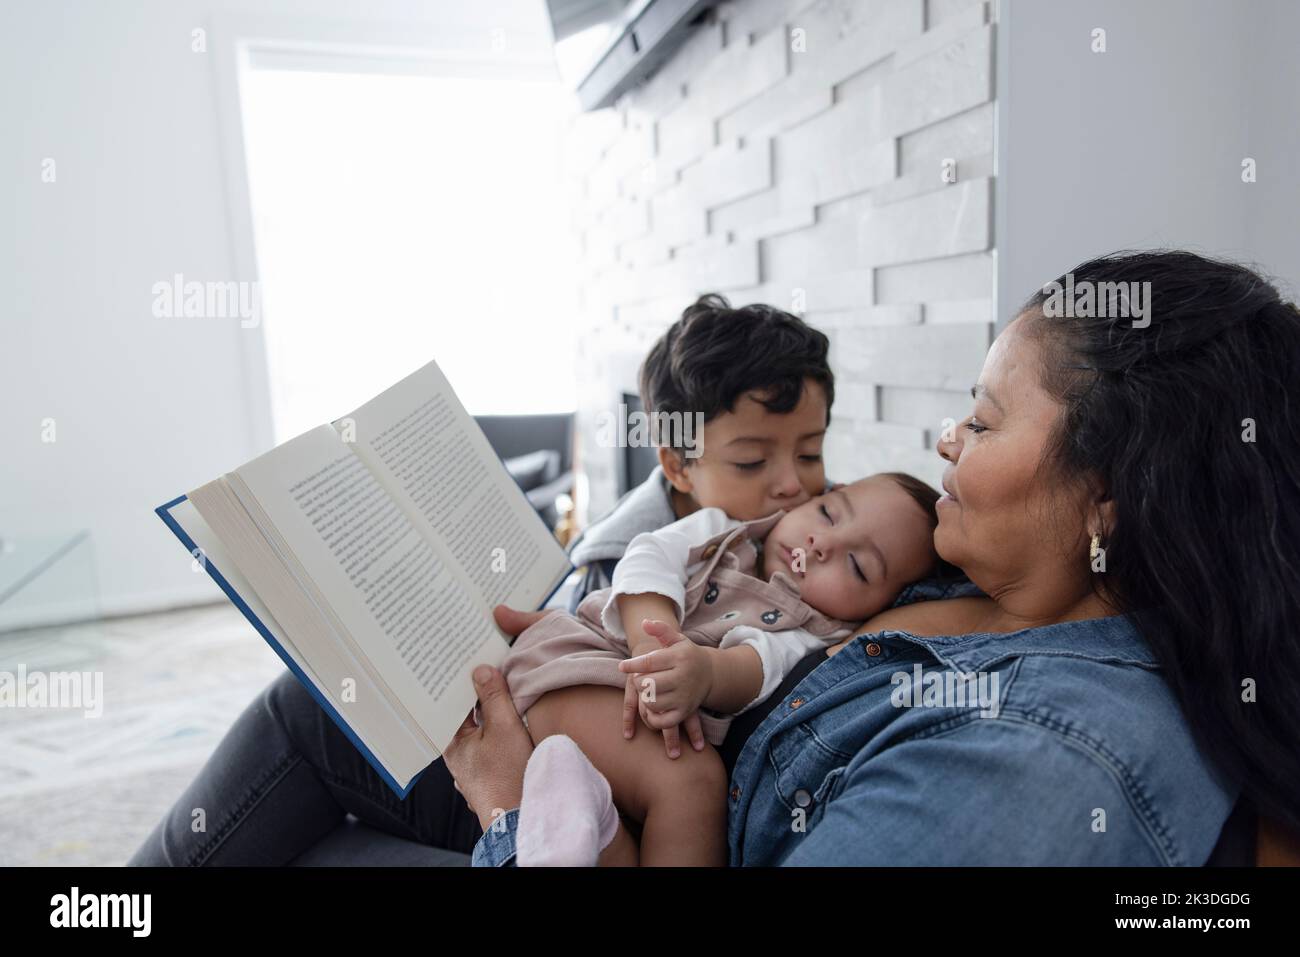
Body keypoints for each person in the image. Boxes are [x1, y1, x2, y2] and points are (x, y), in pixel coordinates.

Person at [451, 250, 1300, 866]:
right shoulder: (975, 566)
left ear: (1107, 495)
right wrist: (596, 636)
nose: (945, 439)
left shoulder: (1026, 772)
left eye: (985, 419)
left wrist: (506, 805)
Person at [128, 293, 841, 865]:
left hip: (571, 797)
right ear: (677, 464)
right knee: (317, 740)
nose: (793, 484)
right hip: (555, 739)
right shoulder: (639, 546)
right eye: (754, 462)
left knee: (304, 717)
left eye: (811, 453)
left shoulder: (831, 538)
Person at [502, 473, 946, 865]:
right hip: (578, 659)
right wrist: (649, 643)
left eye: (857, 565)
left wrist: (705, 674)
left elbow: (754, 668)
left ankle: (583, 814)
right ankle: (571, 800)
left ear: (880, 608)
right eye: (828, 513)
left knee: (681, 786)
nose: (821, 544)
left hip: (624, 702)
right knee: (692, 783)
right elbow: (647, 554)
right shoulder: (725, 531)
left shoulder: (811, 633)